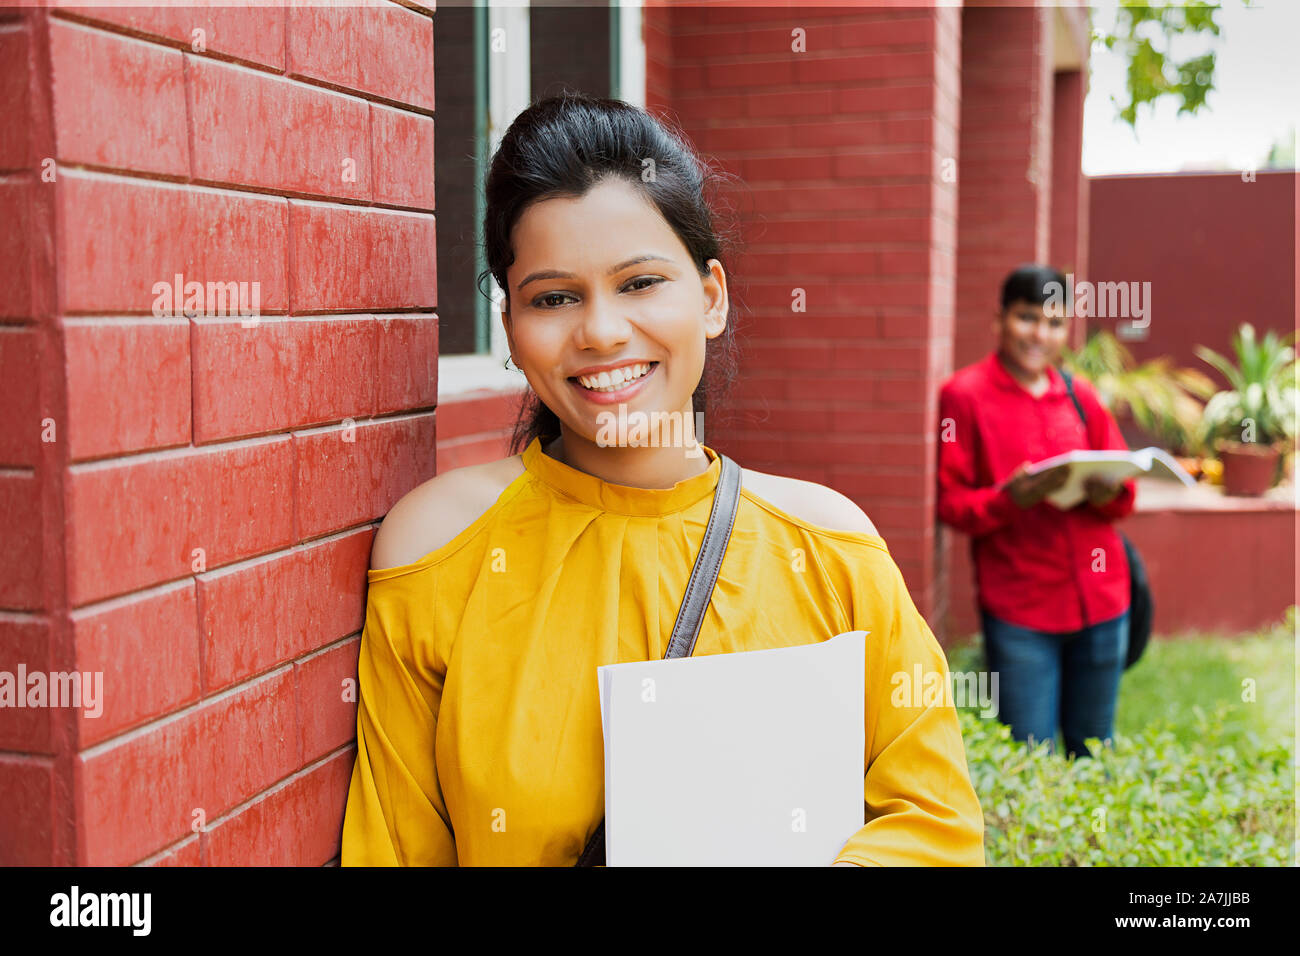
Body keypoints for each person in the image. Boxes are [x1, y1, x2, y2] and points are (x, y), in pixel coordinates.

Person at [341, 92, 984, 866]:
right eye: (553, 298)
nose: (603, 331)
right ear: (510, 328)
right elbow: (398, 850)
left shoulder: (833, 548)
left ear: (710, 297)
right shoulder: (440, 549)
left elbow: (937, 827)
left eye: (641, 283)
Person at [937, 264, 1135, 759]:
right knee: (1031, 758)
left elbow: (1125, 497)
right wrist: (1011, 498)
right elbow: (952, 504)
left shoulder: (1080, 395)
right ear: (999, 319)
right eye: (1027, 318)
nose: (1039, 335)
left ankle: (1096, 836)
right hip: (1021, 609)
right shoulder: (963, 396)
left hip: (1102, 601)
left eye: (1053, 323)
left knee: (1094, 751)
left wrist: (1104, 490)